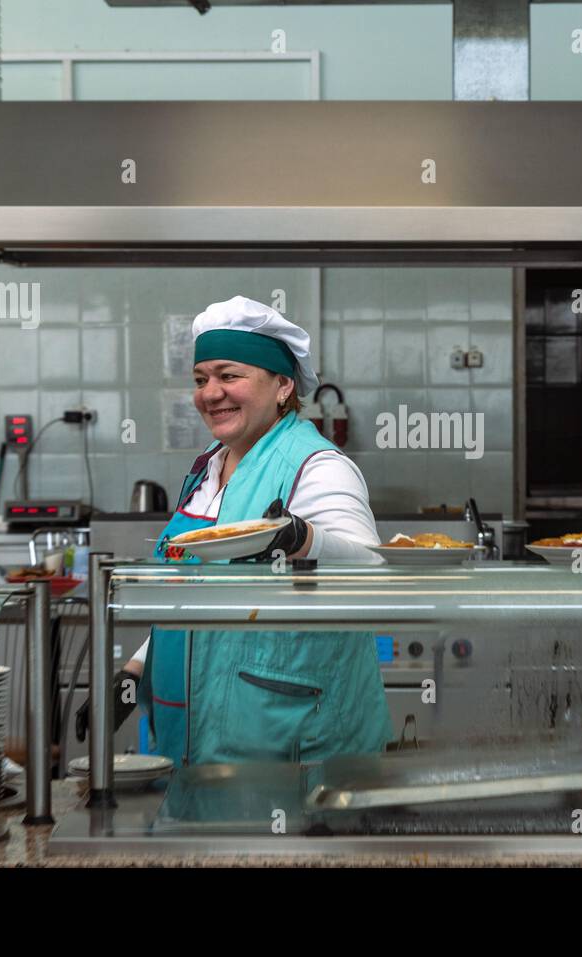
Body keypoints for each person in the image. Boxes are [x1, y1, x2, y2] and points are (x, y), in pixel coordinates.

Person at [85, 296, 392, 766]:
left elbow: (371, 572)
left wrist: (301, 538)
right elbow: (193, 591)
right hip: (196, 737)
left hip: (288, 742)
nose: (210, 393)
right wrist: (133, 673)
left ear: (283, 385)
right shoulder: (208, 468)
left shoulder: (316, 465)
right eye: (201, 378)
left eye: (229, 376)